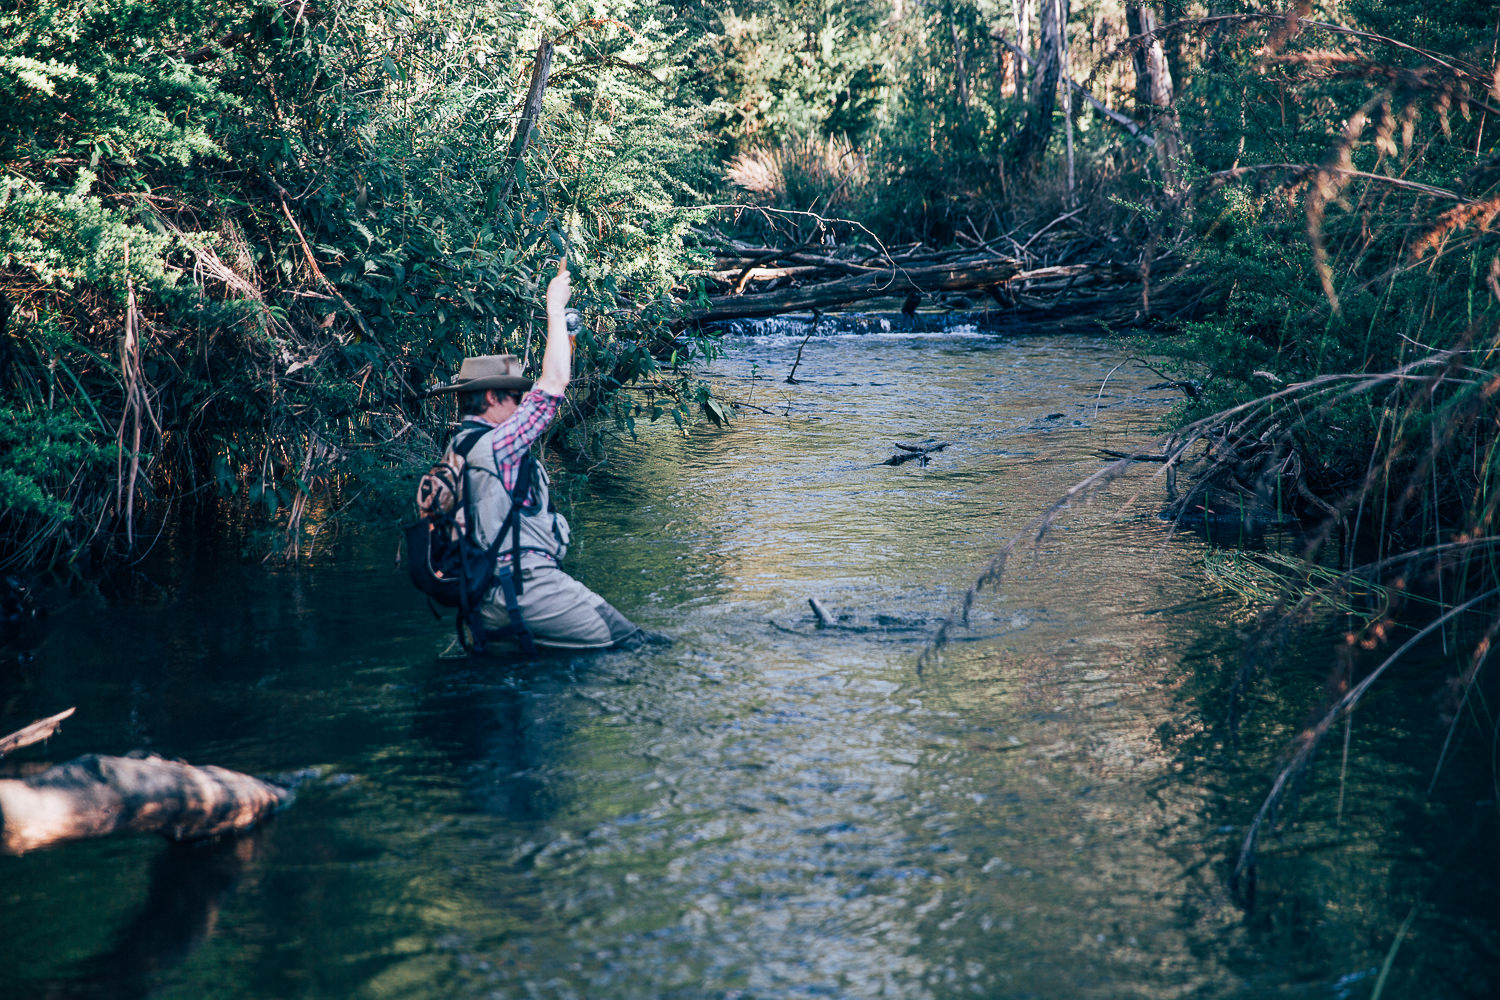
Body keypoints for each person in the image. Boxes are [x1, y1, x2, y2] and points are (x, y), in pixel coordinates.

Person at [418, 261, 640, 651]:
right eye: (516, 397)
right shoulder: (496, 444)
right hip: (525, 587)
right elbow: (553, 386)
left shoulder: (460, 448)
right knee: (633, 644)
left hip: (484, 598)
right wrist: (554, 309)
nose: (523, 404)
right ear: (491, 398)